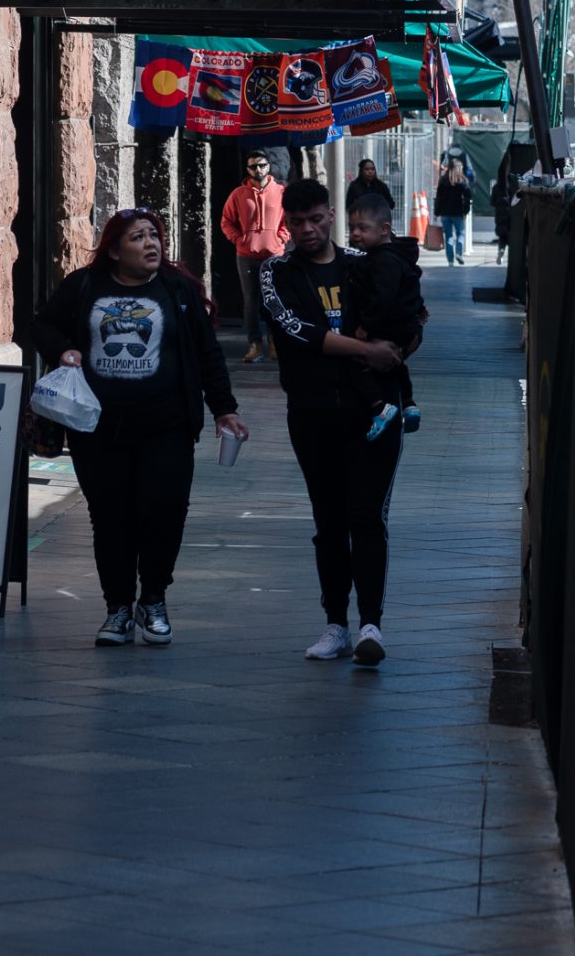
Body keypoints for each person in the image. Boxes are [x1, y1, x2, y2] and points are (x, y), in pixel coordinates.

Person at [32, 209, 247, 648]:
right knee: (110, 518)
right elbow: (43, 324)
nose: (151, 244)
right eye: (138, 237)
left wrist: (223, 409)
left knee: (163, 511)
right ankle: (117, 609)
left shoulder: (177, 290)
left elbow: (207, 355)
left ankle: (153, 599)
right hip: (98, 430)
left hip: (166, 426)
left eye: (155, 235)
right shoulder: (84, 286)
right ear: (113, 250)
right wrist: (66, 348)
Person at [259, 178, 406, 668]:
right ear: (287, 223)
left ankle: (370, 624)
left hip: (374, 416)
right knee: (329, 522)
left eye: (316, 219)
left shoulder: (366, 264)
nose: (307, 229)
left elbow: (409, 315)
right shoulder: (275, 272)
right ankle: (335, 624)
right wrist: (369, 350)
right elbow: (302, 332)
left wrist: (399, 348)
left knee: (366, 517)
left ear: (331, 216)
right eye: (297, 222)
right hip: (314, 413)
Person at [344, 188, 426, 425]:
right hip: (403, 325)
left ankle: (380, 407)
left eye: (363, 228)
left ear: (384, 229)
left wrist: (366, 327)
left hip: (388, 325)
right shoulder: (393, 256)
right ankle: (409, 404)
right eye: (352, 228)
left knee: (357, 363)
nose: (356, 233)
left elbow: (384, 297)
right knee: (396, 363)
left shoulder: (383, 261)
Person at [218, 150, 287, 363]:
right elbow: (226, 221)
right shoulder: (238, 194)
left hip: (274, 255)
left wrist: (281, 238)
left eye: (262, 165)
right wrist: (238, 239)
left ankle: (275, 343)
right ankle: (254, 345)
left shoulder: (281, 192)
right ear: (247, 170)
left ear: (269, 166)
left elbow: (289, 220)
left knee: (274, 300)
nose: (258, 169)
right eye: (253, 166)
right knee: (250, 301)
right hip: (246, 254)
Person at [432, 155, 473, 266]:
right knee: (460, 233)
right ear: (460, 168)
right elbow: (468, 198)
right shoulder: (463, 181)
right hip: (458, 213)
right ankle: (459, 253)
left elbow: (438, 198)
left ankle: (450, 261)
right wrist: (465, 211)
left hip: (445, 213)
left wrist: (436, 212)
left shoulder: (443, 181)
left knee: (449, 236)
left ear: (448, 167)